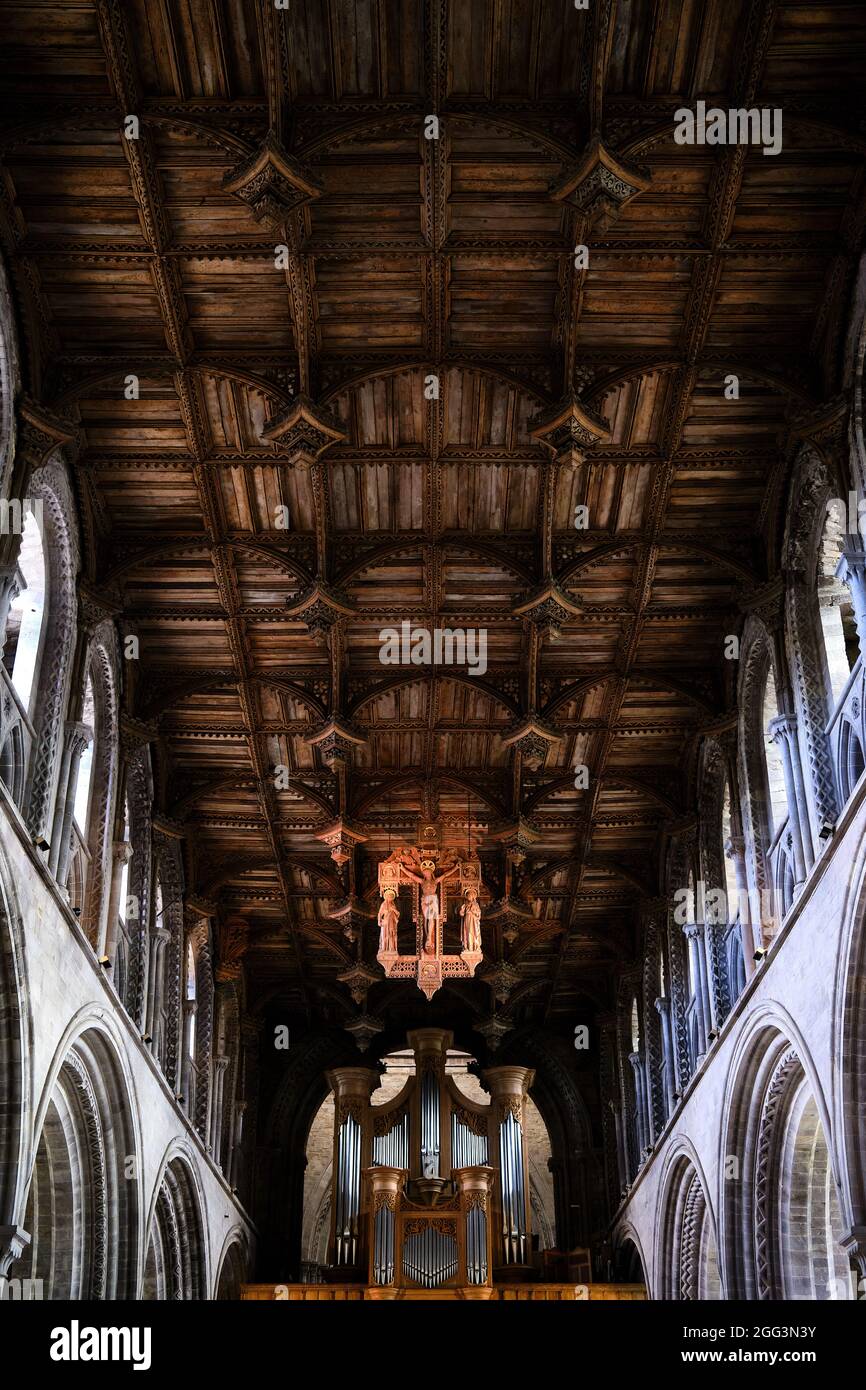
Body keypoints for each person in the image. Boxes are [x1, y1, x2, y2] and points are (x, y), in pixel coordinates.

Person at [401, 858, 458, 955]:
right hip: (425, 900)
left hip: (433, 900)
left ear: (431, 873)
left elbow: (445, 875)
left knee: (431, 919)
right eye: (425, 873)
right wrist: (402, 868)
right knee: (425, 919)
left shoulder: (435, 881)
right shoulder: (422, 882)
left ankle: (429, 938)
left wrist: (455, 868)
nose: (426, 874)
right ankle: (427, 936)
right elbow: (412, 875)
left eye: (428, 872)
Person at [377, 888, 399, 954]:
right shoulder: (383, 904)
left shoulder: (393, 905)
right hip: (386, 922)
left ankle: (391, 948)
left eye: (391, 896)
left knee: (391, 934)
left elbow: (397, 913)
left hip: (392, 922)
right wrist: (379, 921)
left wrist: (393, 909)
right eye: (389, 896)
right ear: (386, 897)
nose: (390, 898)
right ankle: (384, 949)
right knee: (384, 935)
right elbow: (380, 914)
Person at [460, 887, 482, 953]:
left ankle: (474, 947)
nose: (468, 897)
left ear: (473, 896)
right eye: (467, 896)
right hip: (467, 919)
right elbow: (462, 914)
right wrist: (462, 910)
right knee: (467, 932)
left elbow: (478, 914)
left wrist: (473, 911)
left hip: (473, 920)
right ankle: (467, 947)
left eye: (469, 895)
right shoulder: (465, 905)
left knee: (473, 933)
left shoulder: (476, 904)